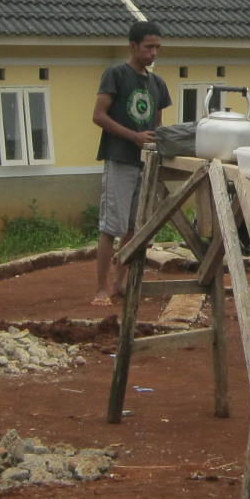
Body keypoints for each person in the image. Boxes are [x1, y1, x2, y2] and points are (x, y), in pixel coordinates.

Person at [92, 20, 171, 305]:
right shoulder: (115, 75)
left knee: (134, 228)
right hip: (120, 158)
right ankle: (101, 288)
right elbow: (99, 115)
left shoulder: (157, 83)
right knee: (111, 226)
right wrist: (133, 136)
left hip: (145, 163)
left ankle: (120, 282)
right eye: (149, 47)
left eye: (157, 48)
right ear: (133, 46)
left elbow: (159, 124)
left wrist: (157, 147)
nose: (153, 53)